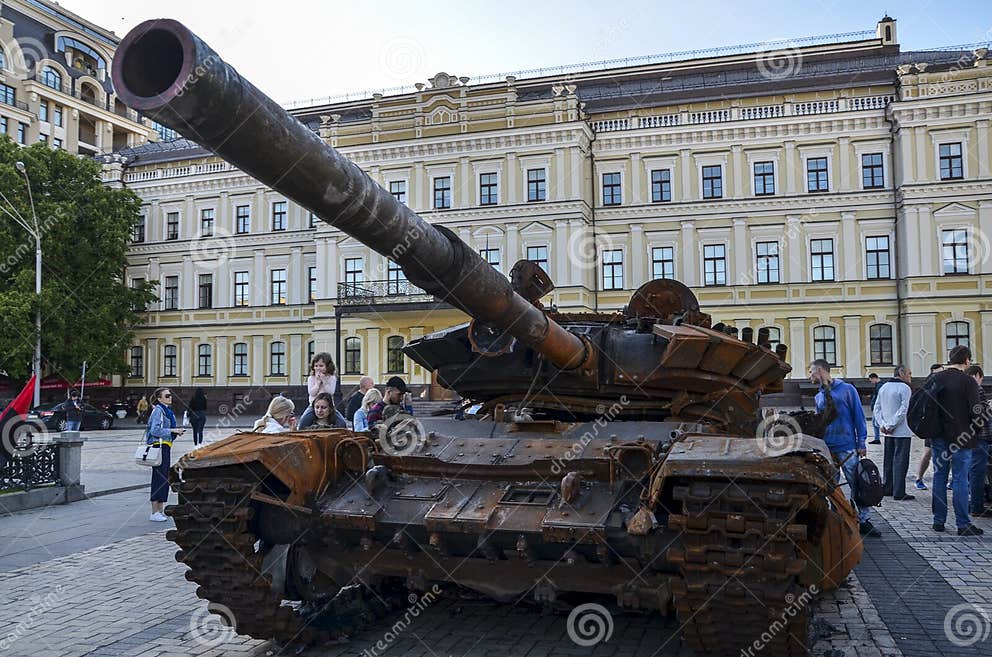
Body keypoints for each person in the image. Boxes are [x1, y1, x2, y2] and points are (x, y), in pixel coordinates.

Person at [810, 359, 880, 537]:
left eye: (811, 372)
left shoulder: (847, 390)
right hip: (827, 449)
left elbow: (859, 416)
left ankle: (864, 520)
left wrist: (861, 442)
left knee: (857, 483)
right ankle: (838, 518)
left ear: (820, 371)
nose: (809, 376)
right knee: (831, 487)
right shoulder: (818, 396)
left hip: (847, 446)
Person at [930, 346, 983, 536]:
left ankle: (938, 520)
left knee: (939, 476)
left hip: (939, 435)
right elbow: (976, 410)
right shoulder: (968, 381)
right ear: (967, 360)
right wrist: (976, 430)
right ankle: (962, 523)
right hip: (963, 436)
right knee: (960, 478)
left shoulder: (936, 378)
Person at [873, 365, 914, 500]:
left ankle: (888, 487)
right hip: (901, 430)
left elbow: (876, 408)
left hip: (887, 431)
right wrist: (891, 425)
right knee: (901, 462)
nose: (910, 376)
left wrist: (883, 424)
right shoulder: (905, 388)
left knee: (888, 461)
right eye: (909, 373)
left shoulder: (884, 387)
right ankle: (899, 491)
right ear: (901, 373)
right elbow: (904, 409)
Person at [146, 388, 184, 522]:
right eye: (167, 396)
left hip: (165, 446)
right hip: (159, 447)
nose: (170, 397)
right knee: (159, 478)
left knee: (163, 478)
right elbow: (154, 430)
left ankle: (159, 510)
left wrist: (175, 432)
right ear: (159, 399)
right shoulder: (158, 410)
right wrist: (173, 430)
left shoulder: (167, 411)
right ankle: (154, 511)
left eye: (170, 395)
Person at [966, 365, 992, 518]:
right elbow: (982, 415)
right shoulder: (977, 389)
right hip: (980, 436)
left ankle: (972, 503)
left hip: (967, 437)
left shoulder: (963, 389)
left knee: (971, 471)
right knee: (978, 472)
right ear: (978, 376)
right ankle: (977, 506)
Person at [915, 363, 945, 490]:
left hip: (946, 427)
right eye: (937, 373)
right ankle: (919, 478)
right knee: (927, 453)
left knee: (950, 454)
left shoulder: (946, 386)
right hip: (932, 426)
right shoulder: (927, 388)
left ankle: (951, 481)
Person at [298, 353, 346, 429]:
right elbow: (312, 393)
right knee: (304, 421)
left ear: (328, 366)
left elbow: (330, 392)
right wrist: (317, 384)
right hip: (313, 406)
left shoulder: (331, 378)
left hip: (329, 405)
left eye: (321, 366)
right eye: (316, 366)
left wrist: (324, 381)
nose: (318, 368)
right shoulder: (311, 378)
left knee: (341, 422)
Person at [867, 373, 883, 445]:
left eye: (871, 380)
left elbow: (879, 397)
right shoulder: (879, 385)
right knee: (875, 423)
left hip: (878, 408)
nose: (871, 382)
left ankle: (877, 439)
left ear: (874, 378)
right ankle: (877, 438)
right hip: (877, 407)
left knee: (876, 423)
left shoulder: (880, 385)